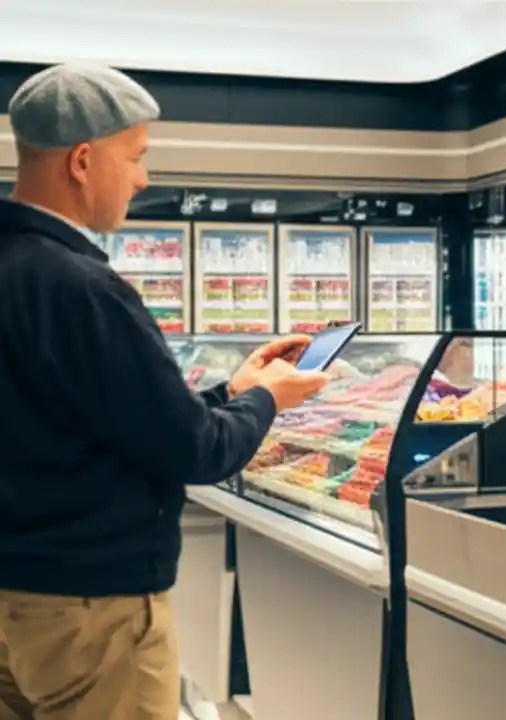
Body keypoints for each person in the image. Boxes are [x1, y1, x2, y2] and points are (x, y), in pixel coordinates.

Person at [0, 64, 329, 720]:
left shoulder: (15, 267)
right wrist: (268, 400)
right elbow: (193, 451)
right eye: (137, 157)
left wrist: (234, 386)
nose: (144, 178)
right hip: (91, 617)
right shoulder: (86, 290)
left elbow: (108, 417)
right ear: (84, 161)